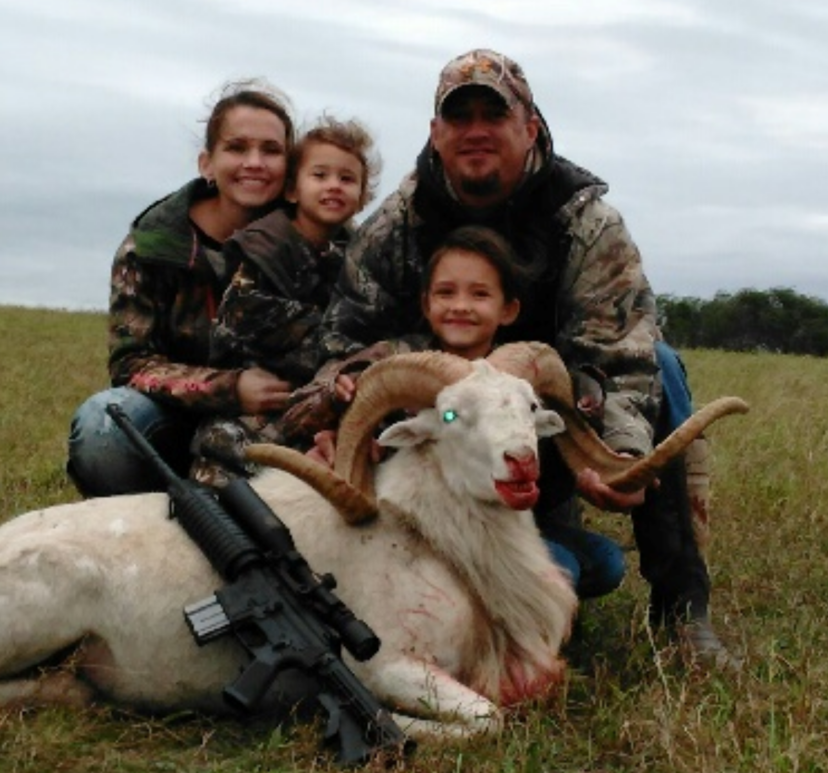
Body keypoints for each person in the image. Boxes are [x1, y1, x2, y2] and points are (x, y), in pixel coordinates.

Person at [311, 48, 734, 667]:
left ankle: (681, 610)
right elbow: (342, 343)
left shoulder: (585, 222)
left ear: (529, 126)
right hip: (447, 440)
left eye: (495, 113)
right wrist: (354, 410)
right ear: (436, 132)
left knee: (662, 365)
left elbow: (622, 353)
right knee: (567, 565)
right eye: (459, 118)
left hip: (551, 431)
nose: (476, 130)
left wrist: (621, 454)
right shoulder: (396, 224)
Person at [292, 225, 626, 600]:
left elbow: (571, 433)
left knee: (605, 561)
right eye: (445, 292)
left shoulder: (525, 374)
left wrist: (600, 456)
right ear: (426, 304)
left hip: (504, 518)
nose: (461, 305)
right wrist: (340, 404)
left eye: (480, 294)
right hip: (420, 526)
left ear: (509, 309)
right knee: (561, 566)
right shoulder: (394, 361)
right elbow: (318, 401)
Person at [66, 80, 296, 497]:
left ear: (289, 165)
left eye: (271, 150)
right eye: (237, 148)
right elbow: (131, 364)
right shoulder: (152, 245)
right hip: (175, 416)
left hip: (276, 423)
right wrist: (230, 389)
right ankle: (141, 525)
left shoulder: (319, 240)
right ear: (207, 163)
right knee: (105, 420)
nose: (255, 162)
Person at [190, 115, 381, 485]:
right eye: (320, 175)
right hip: (253, 399)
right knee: (223, 454)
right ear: (292, 189)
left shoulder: (355, 255)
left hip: (313, 401)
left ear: (362, 198)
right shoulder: (263, 246)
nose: (333, 187)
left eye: (347, 179)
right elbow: (253, 320)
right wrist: (345, 358)